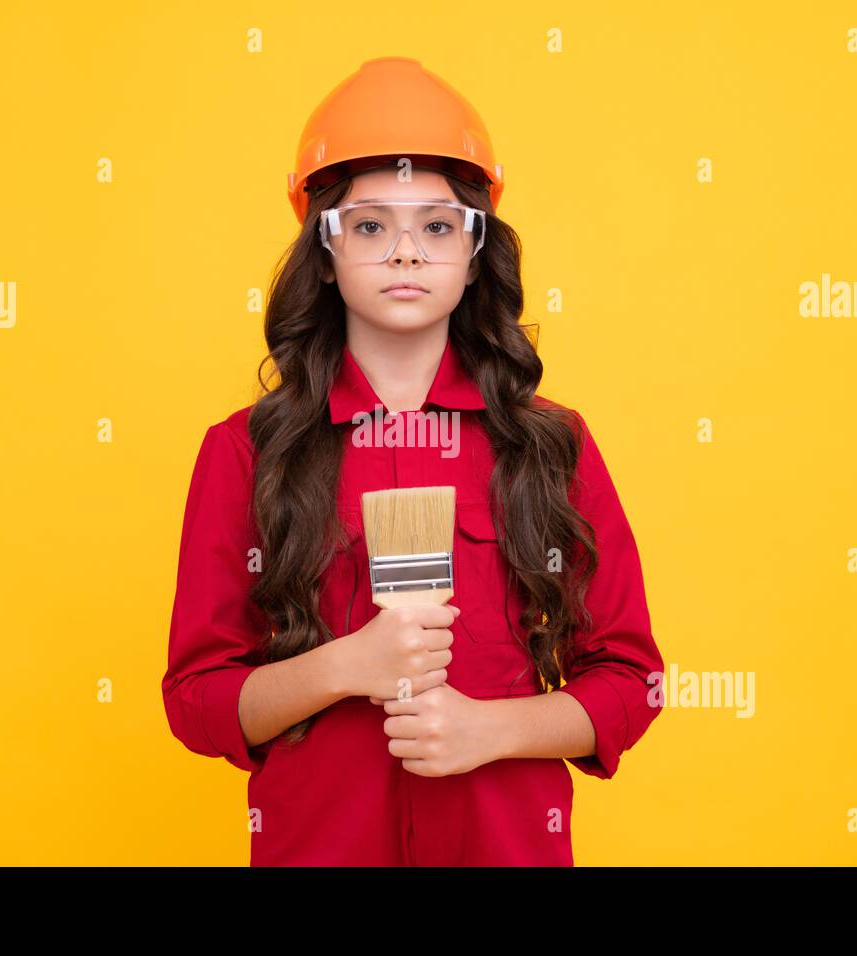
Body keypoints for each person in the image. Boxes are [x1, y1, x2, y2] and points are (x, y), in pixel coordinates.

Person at [162, 56, 664, 866]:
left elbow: (631, 679)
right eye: (369, 226)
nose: (404, 253)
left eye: (436, 226)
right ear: (324, 253)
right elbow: (197, 701)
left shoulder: (550, 445)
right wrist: (343, 666)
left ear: (474, 254)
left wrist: (490, 729)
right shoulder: (243, 453)